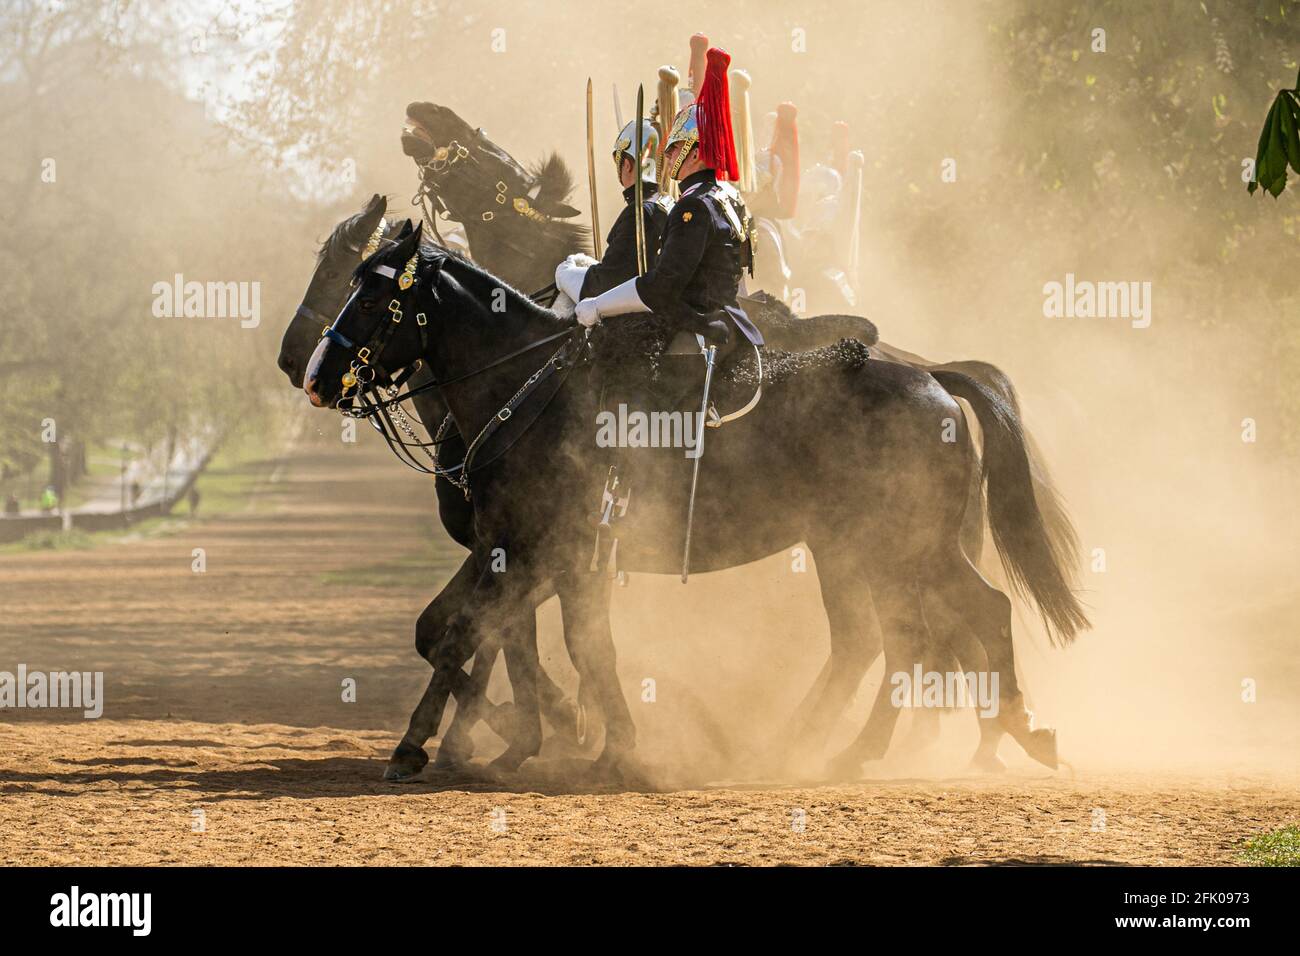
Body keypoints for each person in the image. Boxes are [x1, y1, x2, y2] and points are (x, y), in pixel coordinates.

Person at [574, 46, 762, 357]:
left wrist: (596, 305)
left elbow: (661, 289)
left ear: (697, 153)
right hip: (731, 325)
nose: (668, 155)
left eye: (675, 147)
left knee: (615, 379)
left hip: (699, 337)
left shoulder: (694, 206)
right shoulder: (729, 196)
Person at [556, 119, 672, 302]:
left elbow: (608, 283)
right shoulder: (666, 202)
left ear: (626, 164)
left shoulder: (638, 213)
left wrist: (566, 275)